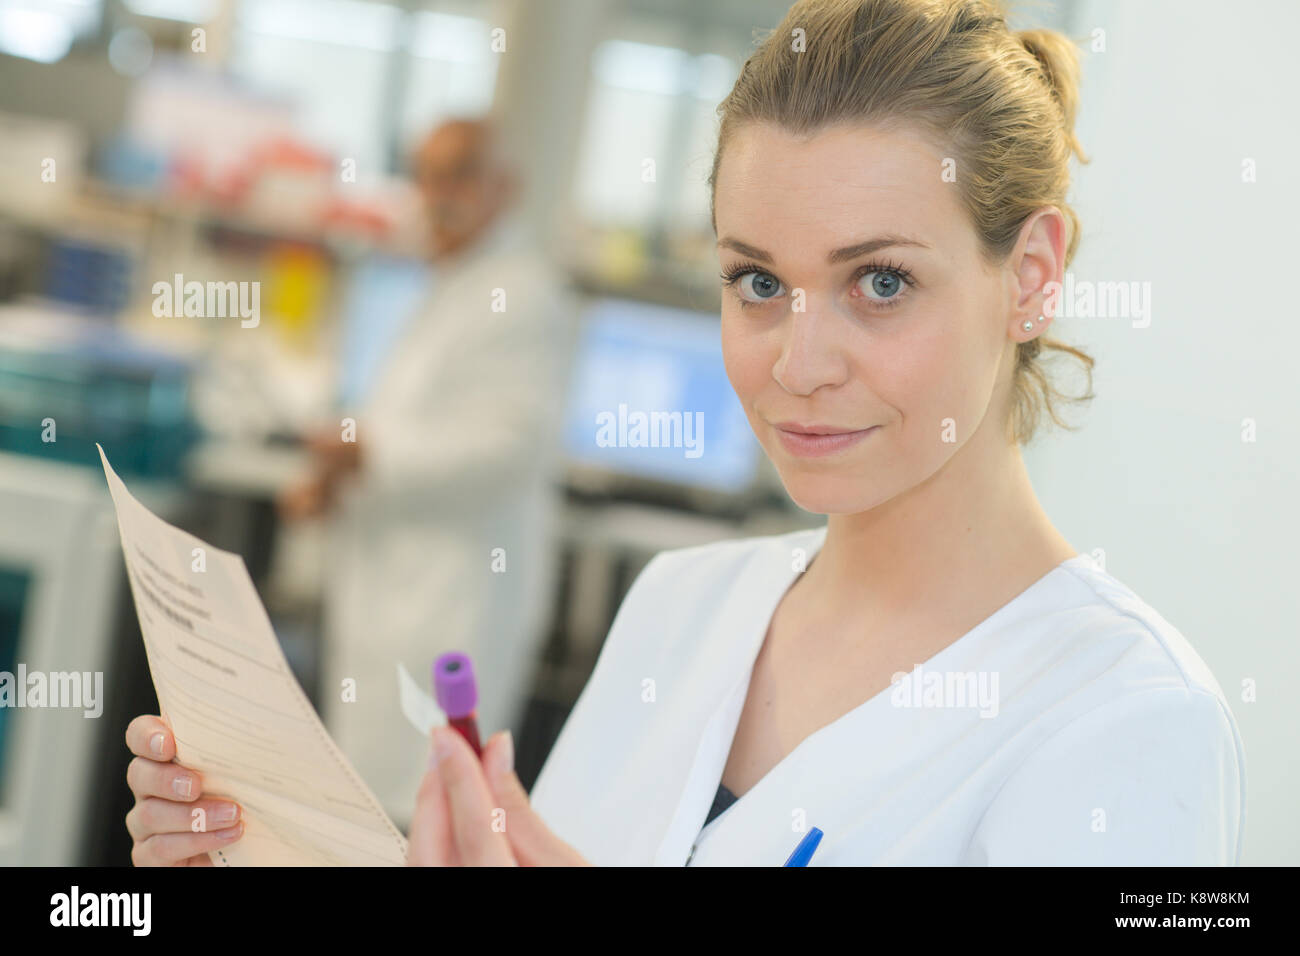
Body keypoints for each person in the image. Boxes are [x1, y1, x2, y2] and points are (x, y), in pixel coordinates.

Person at [124, 0, 1244, 867]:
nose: (797, 364)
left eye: (882, 281)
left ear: (1032, 276)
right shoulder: (679, 606)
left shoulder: (1129, 716)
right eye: (757, 279)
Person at [275, 117, 577, 827]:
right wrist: (340, 478)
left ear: (504, 189)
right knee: (366, 805)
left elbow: (505, 449)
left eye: (459, 174)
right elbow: (412, 424)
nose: (437, 195)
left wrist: (366, 453)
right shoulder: (451, 283)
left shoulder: (522, 296)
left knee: (421, 813)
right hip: (392, 595)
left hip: (450, 604)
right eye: (427, 175)